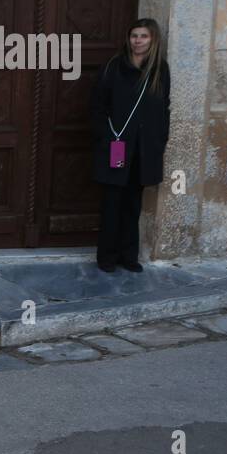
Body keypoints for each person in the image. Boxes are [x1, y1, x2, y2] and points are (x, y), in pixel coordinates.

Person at [90, 19, 171, 273]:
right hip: (117, 146)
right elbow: (97, 104)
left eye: (143, 36)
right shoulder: (114, 67)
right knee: (112, 202)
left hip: (144, 149)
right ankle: (107, 257)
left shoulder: (159, 70)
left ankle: (129, 256)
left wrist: (159, 140)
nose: (137, 40)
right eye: (134, 35)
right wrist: (105, 136)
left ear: (152, 39)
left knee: (133, 204)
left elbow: (163, 108)